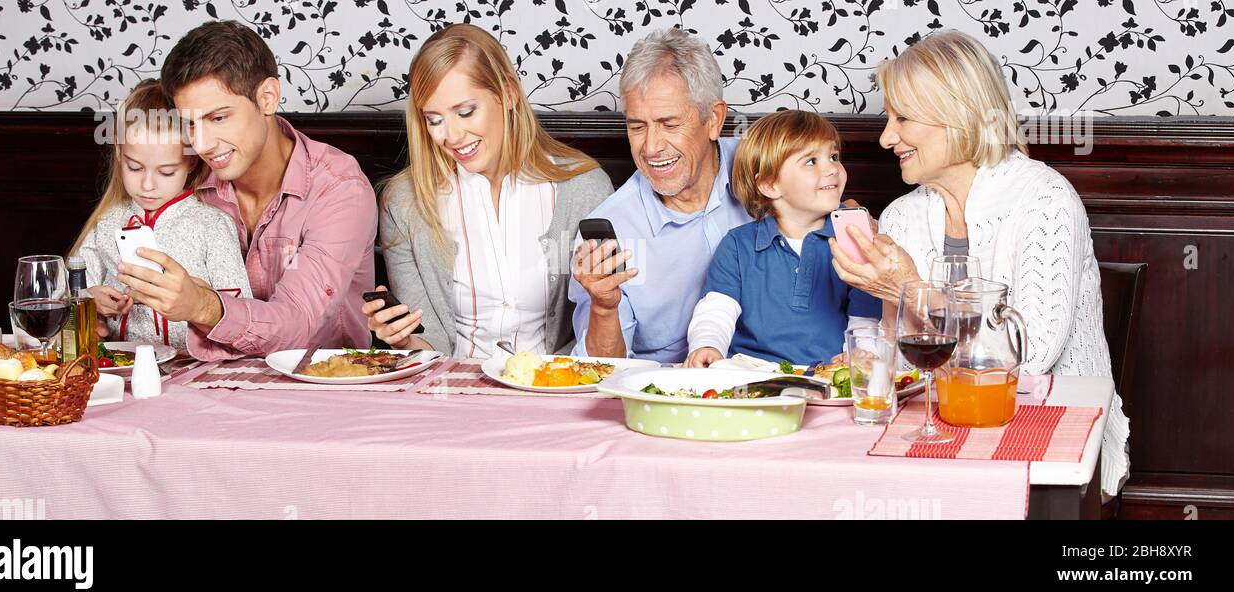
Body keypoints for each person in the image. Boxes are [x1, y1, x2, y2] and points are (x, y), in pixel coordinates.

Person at [828, 31, 1129, 499]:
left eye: (902, 117)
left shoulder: (1045, 200)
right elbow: (907, 361)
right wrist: (866, 357)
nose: (886, 138)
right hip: (939, 428)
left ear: (958, 114)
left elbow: (1029, 359)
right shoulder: (902, 216)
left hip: (1054, 435)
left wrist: (911, 288)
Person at [116, 20, 378, 361]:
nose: (202, 144)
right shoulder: (186, 178)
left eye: (218, 118)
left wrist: (202, 306)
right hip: (202, 377)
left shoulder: (340, 191)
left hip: (322, 380)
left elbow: (298, 324)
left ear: (267, 97)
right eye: (190, 123)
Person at [368, 24, 614, 358]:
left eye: (465, 112)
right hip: (451, 384)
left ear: (508, 93)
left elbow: (597, 334)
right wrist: (402, 340)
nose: (451, 136)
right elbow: (430, 344)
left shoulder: (584, 188)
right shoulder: (405, 203)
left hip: (553, 382)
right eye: (434, 119)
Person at [568, 27, 751, 363]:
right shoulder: (612, 231)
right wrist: (604, 308)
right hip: (672, 385)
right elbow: (601, 368)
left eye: (669, 124)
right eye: (637, 126)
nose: (651, 147)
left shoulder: (765, 168)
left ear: (714, 119)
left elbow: (832, 209)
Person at [684, 110, 881, 368]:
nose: (832, 168)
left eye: (833, 156)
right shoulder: (737, 245)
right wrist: (707, 345)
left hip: (827, 373)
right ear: (769, 185)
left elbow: (864, 319)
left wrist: (861, 354)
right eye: (811, 161)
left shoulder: (854, 238)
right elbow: (717, 309)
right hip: (750, 373)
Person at [71, 79, 250, 350]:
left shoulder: (212, 225)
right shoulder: (107, 221)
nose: (147, 185)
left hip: (193, 365)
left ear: (191, 161)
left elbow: (240, 312)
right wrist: (91, 301)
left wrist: (198, 298)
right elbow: (69, 293)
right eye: (134, 168)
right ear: (119, 152)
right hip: (121, 364)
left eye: (166, 172)